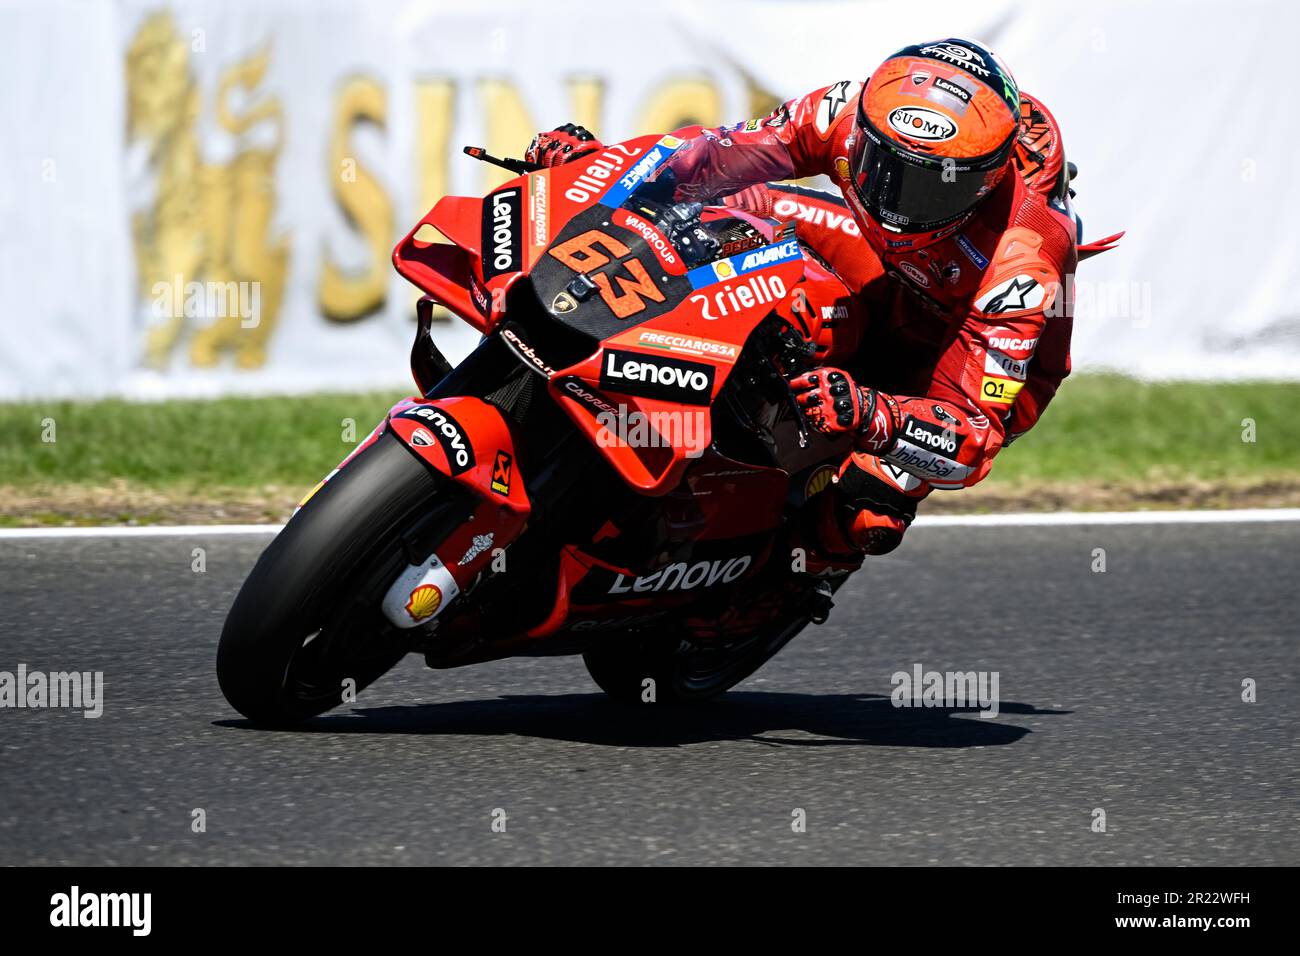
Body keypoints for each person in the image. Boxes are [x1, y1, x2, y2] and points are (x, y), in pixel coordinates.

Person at [526, 38, 1119, 565]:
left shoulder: (1022, 261)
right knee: (730, 212)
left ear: (985, 182)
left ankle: (766, 588)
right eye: (881, 166)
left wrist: (871, 412)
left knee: (866, 515)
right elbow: (714, 155)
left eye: (927, 185)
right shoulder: (843, 112)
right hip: (884, 270)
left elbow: (972, 437)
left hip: (957, 350)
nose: (893, 199)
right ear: (863, 132)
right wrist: (605, 163)